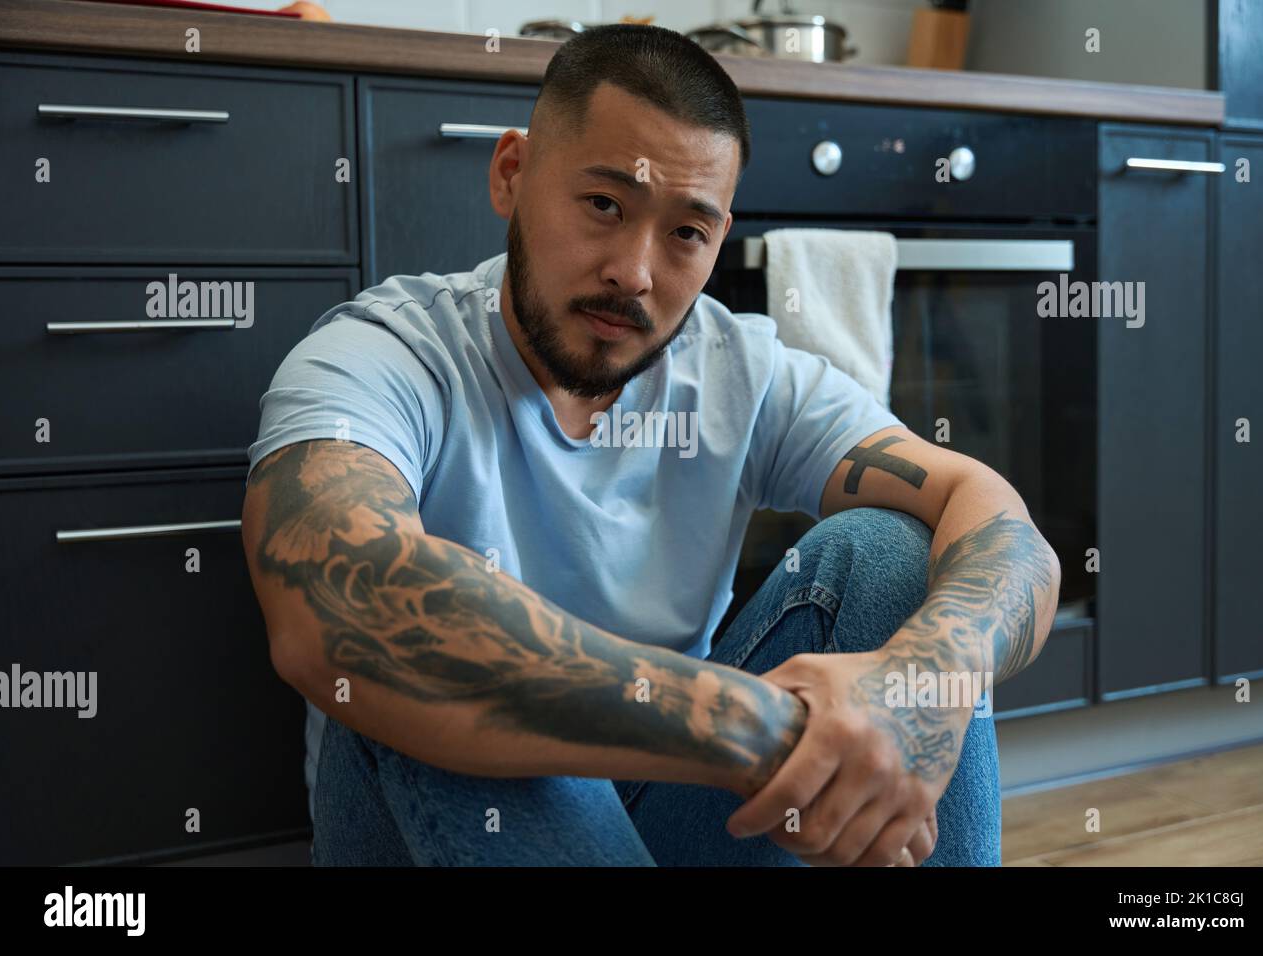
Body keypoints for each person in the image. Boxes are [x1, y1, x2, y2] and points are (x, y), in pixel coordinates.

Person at [241, 23, 1061, 867]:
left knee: (895, 550)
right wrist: (758, 728)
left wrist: (922, 690)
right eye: (604, 205)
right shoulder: (386, 354)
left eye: (685, 234)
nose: (635, 272)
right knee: (432, 645)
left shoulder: (742, 372)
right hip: (443, 832)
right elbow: (326, 609)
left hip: (667, 822)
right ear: (512, 174)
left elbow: (996, 516)